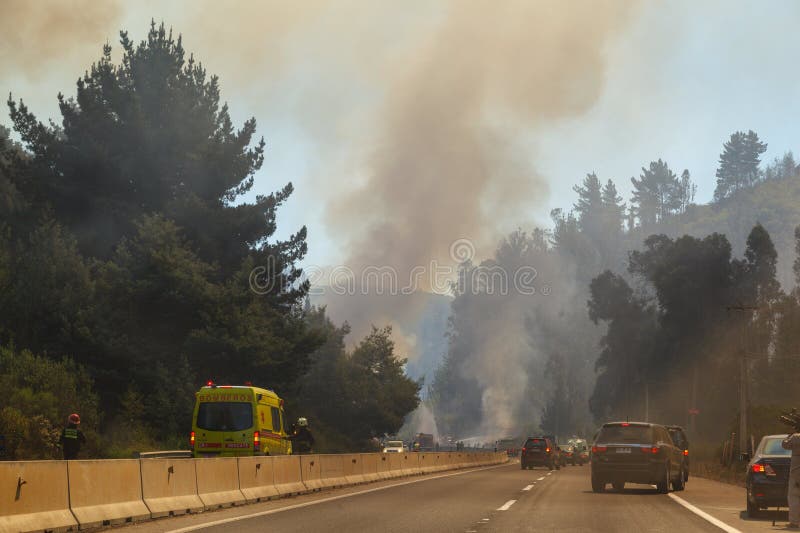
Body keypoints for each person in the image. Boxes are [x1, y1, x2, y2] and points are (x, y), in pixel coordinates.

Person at [783, 431, 800, 529]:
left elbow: (784, 445)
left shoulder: (796, 437)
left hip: (796, 473)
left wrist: (789, 436)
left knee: (794, 497)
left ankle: (794, 522)